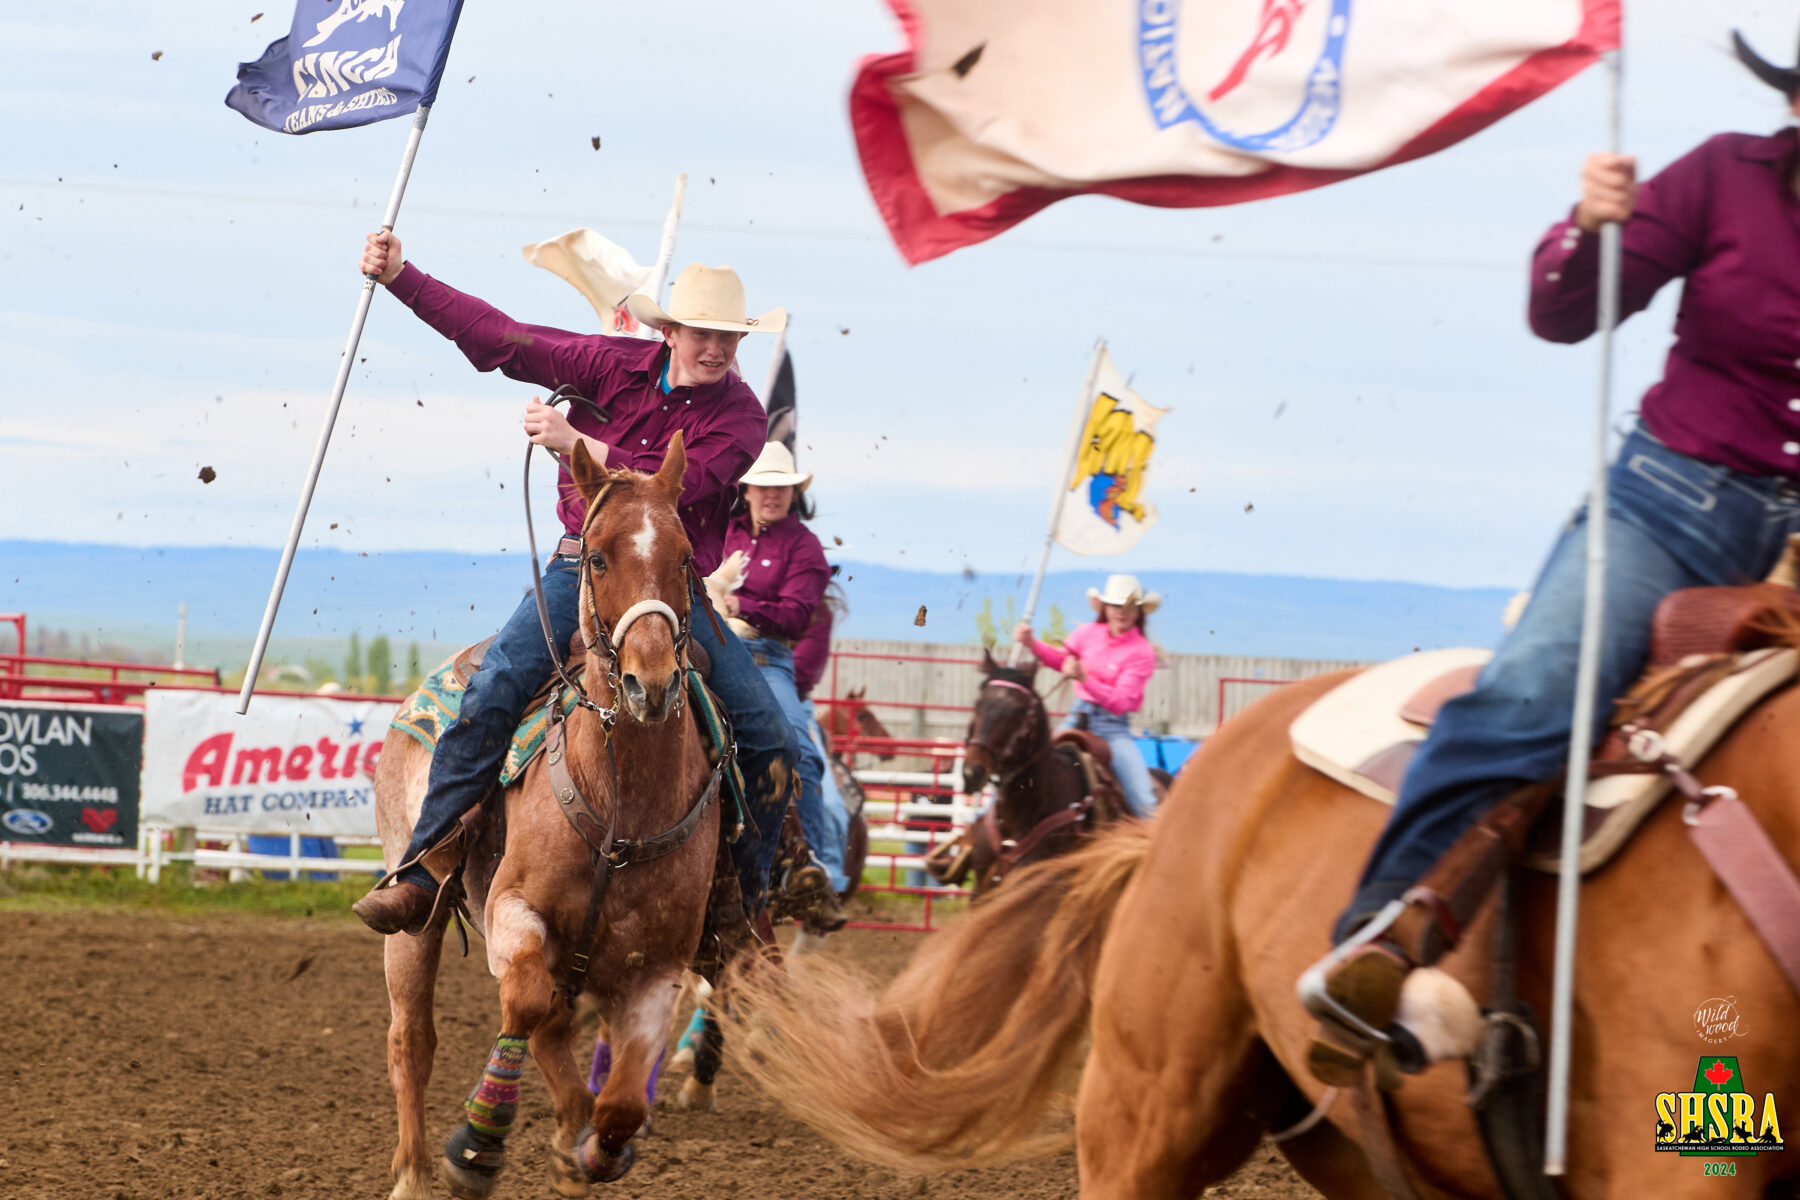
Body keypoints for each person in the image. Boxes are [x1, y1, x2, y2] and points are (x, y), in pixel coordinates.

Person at [1298, 25, 1800, 1084]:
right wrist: (1588, 228)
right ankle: (1382, 941)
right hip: (1674, 512)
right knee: (1536, 693)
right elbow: (1566, 314)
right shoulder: (1723, 176)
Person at [347, 230, 838, 936]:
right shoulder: (608, 363)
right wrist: (402, 277)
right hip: (584, 567)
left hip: (671, 586)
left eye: (729, 338)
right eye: (703, 334)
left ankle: (743, 910)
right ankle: (426, 868)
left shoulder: (742, 417)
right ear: (670, 331)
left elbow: (674, 484)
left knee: (771, 739)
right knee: (494, 688)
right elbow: (502, 338)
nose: (716, 350)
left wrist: (576, 443)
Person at [721, 443, 851, 911]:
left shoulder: (804, 547)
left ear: (794, 493)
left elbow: (797, 615)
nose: (771, 494)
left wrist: (741, 604)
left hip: (765, 657)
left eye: (781, 487)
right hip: (711, 646)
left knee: (801, 753)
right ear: (746, 489)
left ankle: (807, 864)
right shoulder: (720, 530)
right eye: (763, 485)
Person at [1011, 574, 1160, 817]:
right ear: (1105, 607)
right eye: (1116, 605)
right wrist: (1032, 644)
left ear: (1138, 612)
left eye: (1129, 607)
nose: (1121, 612)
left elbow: (1120, 702)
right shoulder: (1087, 633)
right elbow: (1062, 660)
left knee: (1144, 801)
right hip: (1078, 717)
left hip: (1113, 730)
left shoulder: (1142, 652)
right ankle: (985, 820)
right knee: (1025, 766)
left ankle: (1153, 832)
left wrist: (1083, 677)